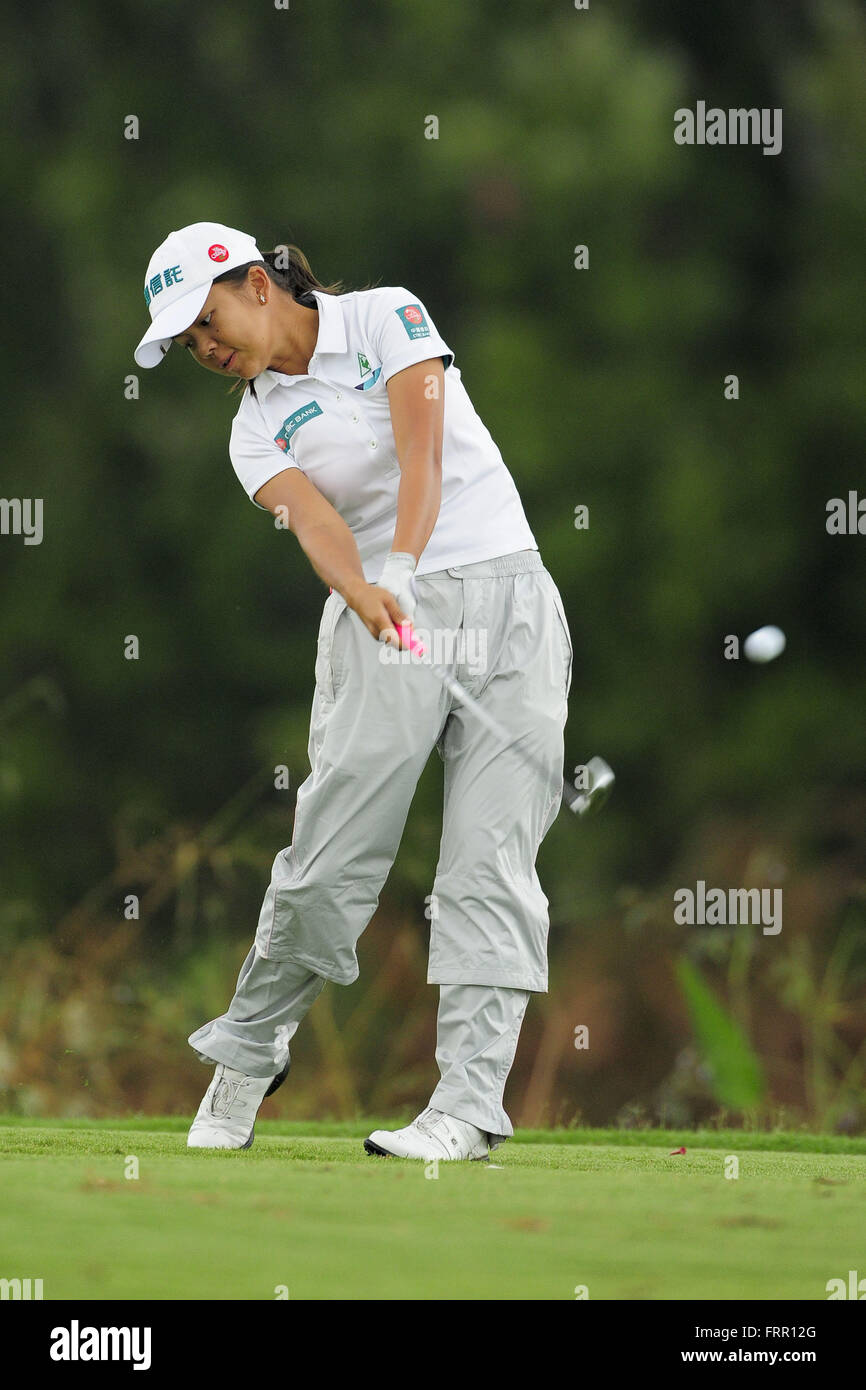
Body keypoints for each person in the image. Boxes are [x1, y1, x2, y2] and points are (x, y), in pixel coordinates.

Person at [133, 221, 573, 1160]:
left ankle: (466, 1108)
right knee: (332, 858)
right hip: (382, 622)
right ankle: (249, 1053)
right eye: (187, 345)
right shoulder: (254, 430)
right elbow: (318, 523)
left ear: (256, 284)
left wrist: (407, 564)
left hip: (510, 599)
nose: (206, 350)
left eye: (207, 323)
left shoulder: (386, 318)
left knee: (490, 864)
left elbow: (424, 454)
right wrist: (369, 592)